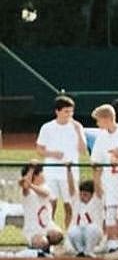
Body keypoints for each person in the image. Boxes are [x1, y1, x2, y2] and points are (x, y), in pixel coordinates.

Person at [35, 95, 87, 230]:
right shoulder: (47, 127)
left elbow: (83, 150)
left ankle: (69, 234)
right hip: (51, 172)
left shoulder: (77, 127)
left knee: (70, 204)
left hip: (70, 173)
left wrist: (78, 131)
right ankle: (50, 232)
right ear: (57, 111)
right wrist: (53, 154)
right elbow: (39, 149)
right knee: (50, 203)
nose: (69, 114)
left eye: (71, 111)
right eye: (66, 111)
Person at [90, 103, 118, 252]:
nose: (97, 123)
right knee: (110, 211)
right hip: (109, 180)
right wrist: (97, 183)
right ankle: (111, 241)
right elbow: (96, 162)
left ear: (107, 118)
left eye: (99, 120)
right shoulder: (101, 137)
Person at [19, 161, 64, 256]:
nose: (44, 175)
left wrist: (30, 184)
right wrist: (31, 169)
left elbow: (45, 193)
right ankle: (37, 248)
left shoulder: (45, 187)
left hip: (47, 227)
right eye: (41, 173)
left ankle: (45, 248)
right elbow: (26, 188)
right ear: (35, 176)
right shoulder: (26, 193)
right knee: (42, 242)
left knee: (58, 235)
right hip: (33, 230)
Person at [65, 171, 102, 258]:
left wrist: (95, 170)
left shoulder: (96, 201)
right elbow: (71, 187)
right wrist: (69, 170)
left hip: (93, 235)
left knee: (92, 228)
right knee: (72, 231)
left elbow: (98, 188)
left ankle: (89, 251)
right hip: (79, 234)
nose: (82, 197)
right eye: (81, 194)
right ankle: (80, 251)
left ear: (92, 195)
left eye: (85, 194)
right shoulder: (76, 202)